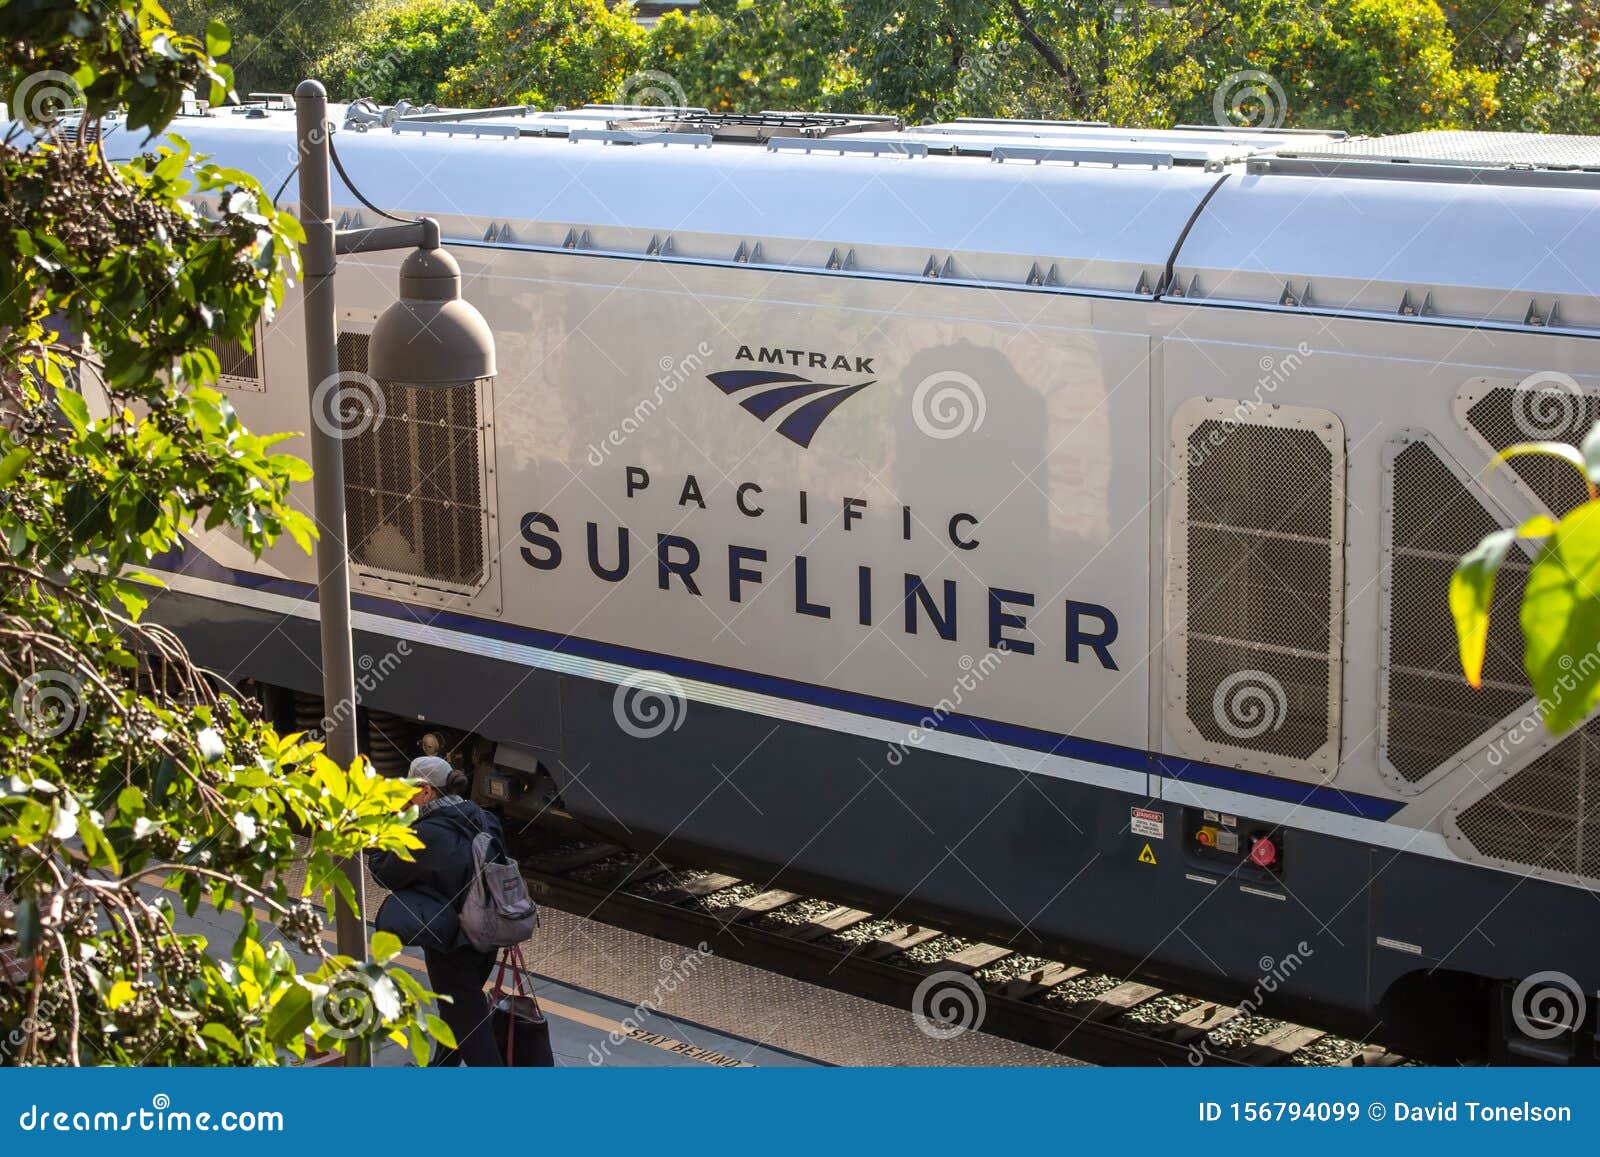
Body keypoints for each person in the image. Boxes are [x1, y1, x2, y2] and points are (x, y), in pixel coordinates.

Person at [366, 754, 504, 1066]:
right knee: (459, 1009)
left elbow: (384, 873)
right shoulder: (483, 818)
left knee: (467, 1022)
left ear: (426, 792)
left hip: (452, 940)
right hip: (488, 933)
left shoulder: (424, 834)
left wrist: (384, 833)